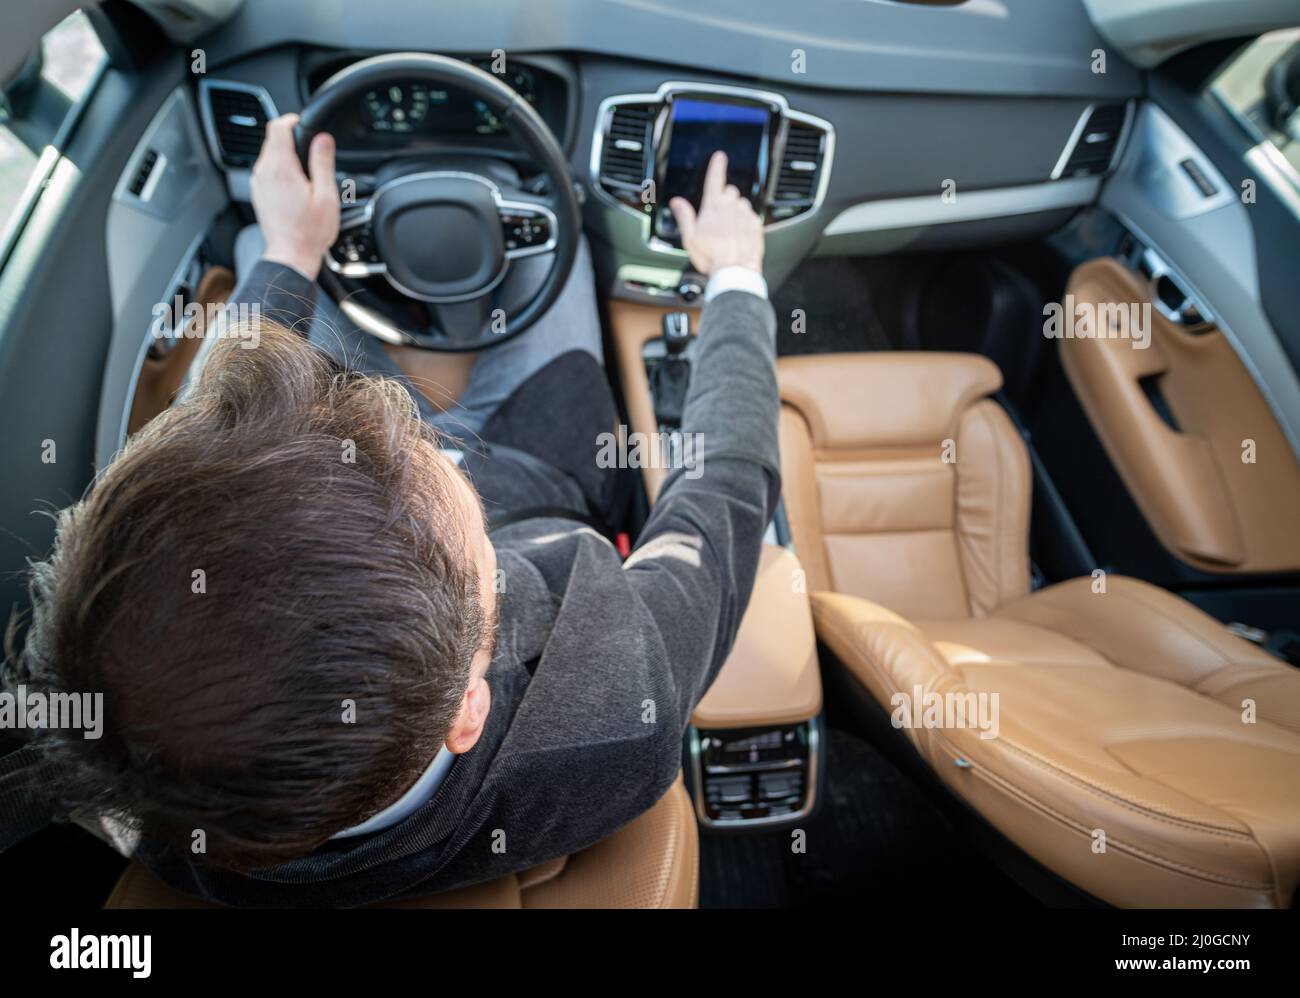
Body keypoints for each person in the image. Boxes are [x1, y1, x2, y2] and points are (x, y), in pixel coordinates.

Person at [6, 114, 778, 906]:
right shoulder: (615, 707)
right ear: (469, 709)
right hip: (538, 472)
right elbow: (725, 490)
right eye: (451, 490)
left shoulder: (128, 792)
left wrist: (289, 255)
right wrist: (736, 275)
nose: (424, 430)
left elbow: (210, 427)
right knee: (565, 259)